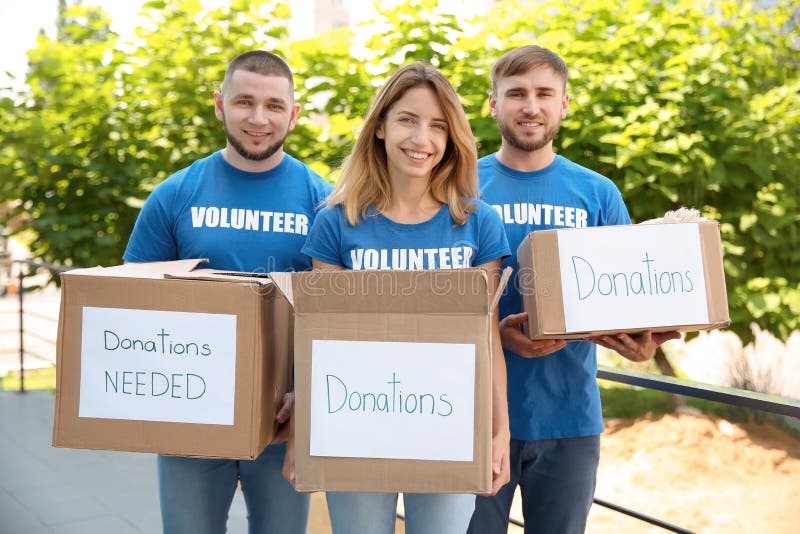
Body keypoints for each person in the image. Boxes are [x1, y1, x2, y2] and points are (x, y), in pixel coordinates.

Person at [468, 45, 680, 533]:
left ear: (564, 104)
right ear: (493, 104)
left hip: (570, 419)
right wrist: (497, 335)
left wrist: (642, 342)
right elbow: (438, 298)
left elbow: (635, 296)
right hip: (476, 418)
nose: (531, 106)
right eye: (516, 93)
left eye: (545, 93)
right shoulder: (461, 187)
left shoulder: (597, 193)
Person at [123, 50, 333, 534]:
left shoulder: (323, 201)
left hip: (284, 420)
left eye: (274, 105)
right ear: (220, 104)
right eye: (244, 102)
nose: (259, 118)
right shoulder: (175, 195)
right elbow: (135, 305)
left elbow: (334, 315)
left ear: (294, 113)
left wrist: (304, 396)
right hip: (190, 415)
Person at [297, 61, 511, 534]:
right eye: (408, 120)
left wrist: (500, 430)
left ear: (452, 138)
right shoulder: (336, 222)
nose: (422, 139)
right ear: (379, 127)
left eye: (438, 126)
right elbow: (320, 340)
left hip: (450, 425)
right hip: (355, 424)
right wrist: (305, 438)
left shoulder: (478, 223)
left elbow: (487, 337)